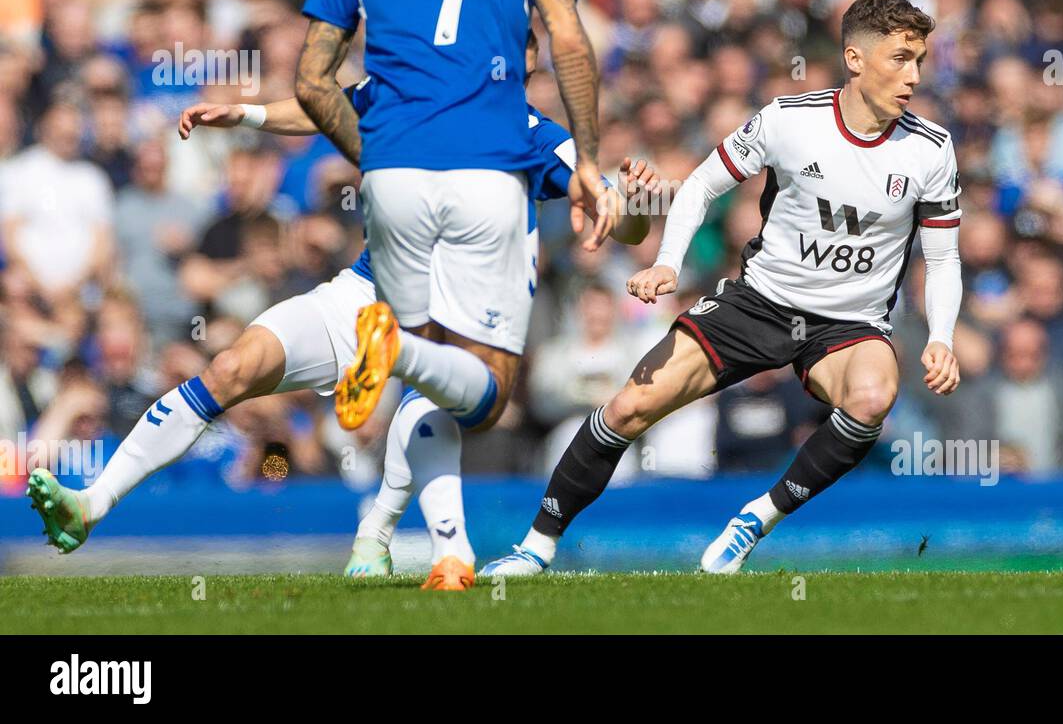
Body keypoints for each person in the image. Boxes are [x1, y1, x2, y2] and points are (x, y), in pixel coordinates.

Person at [26, 34, 656, 591]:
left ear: (526, 60)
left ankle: (429, 549)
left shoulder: (534, 136)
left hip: (456, 314)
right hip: (364, 291)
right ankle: (92, 504)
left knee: (425, 402)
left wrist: (626, 202)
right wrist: (244, 113)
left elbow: (618, 219)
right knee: (232, 366)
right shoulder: (408, 90)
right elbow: (322, 104)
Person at [482, 0, 964, 576]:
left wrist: (941, 334)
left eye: (919, 61)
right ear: (855, 59)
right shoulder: (789, 120)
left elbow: (943, 256)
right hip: (758, 302)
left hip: (850, 324)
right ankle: (535, 547)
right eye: (900, 58)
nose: (913, 76)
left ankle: (756, 518)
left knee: (871, 399)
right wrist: (667, 263)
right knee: (631, 406)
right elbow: (700, 185)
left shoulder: (932, 150)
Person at [292, 0, 604, 438]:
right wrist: (591, 157)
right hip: (487, 170)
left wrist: (373, 153)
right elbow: (569, 41)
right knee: (484, 391)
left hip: (393, 173)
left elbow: (312, 83)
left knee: (425, 362)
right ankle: (398, 365)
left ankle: (409, 541)